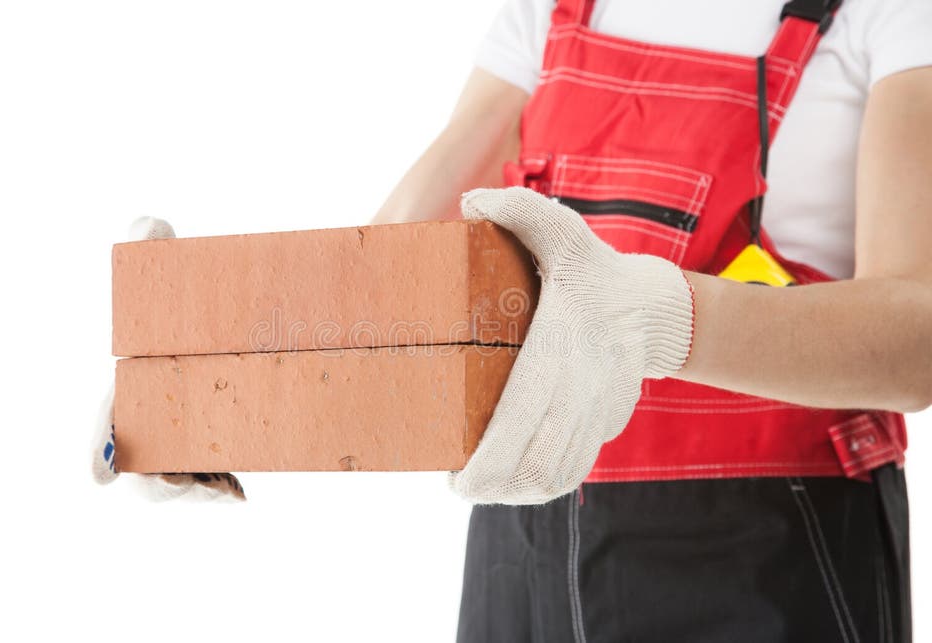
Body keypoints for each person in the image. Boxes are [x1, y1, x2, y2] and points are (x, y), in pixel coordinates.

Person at [370, 0, 932, 641]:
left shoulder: (891, 13)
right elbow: (396, 267)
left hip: (768, 548)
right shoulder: (549, 12)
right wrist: (239, 398)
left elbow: (919, 342)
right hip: (525, 533)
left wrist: (651, 314)